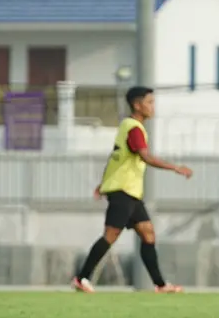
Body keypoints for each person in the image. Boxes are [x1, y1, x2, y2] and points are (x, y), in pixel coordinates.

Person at [72, 86, 193, 294]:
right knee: (110, 236)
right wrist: (175, 167)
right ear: (137, 105)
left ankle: (161, 285)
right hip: (123, 192)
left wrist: (103, 185)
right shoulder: (134, 128)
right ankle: (82, 278)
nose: (153, 107)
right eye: (149, 102)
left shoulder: (128, 127)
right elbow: (145, 156)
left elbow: (117, 159)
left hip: (131, 193)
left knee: (148, 233)